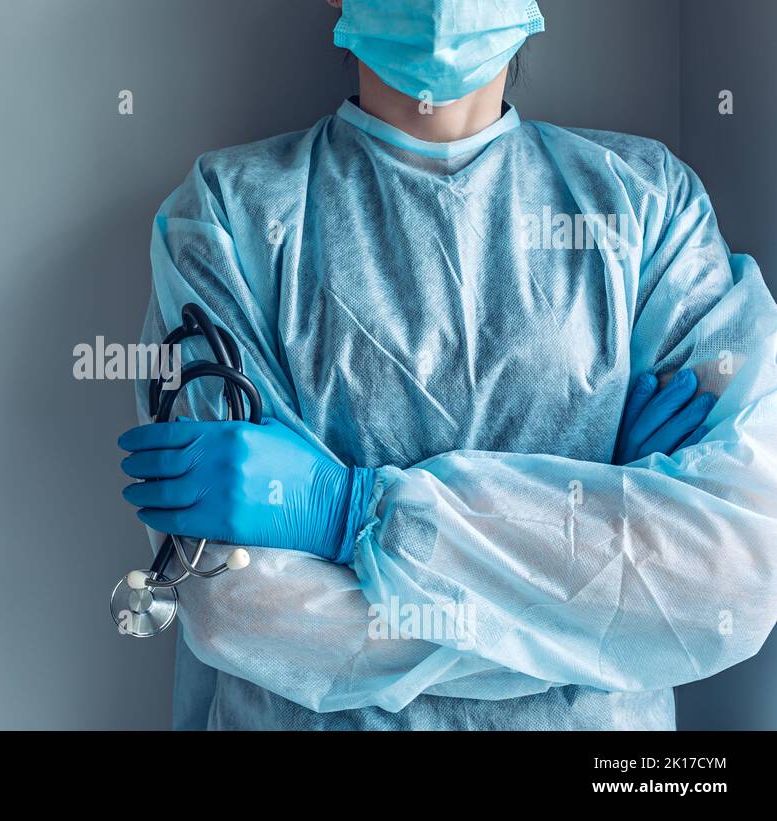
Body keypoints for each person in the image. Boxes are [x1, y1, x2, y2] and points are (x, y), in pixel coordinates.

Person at [117, 0, 777, 730]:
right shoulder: (223, 221)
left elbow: (734, 580)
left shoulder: (647, 208)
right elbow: (240, 610)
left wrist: (352, 513)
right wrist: (603, 542)